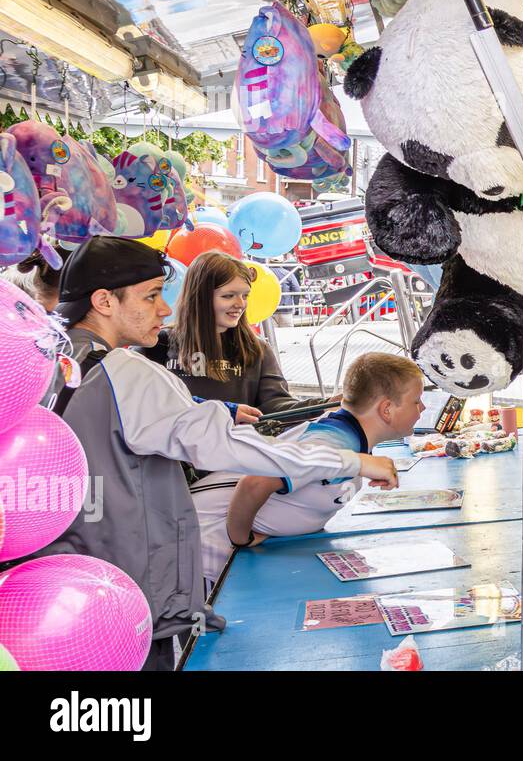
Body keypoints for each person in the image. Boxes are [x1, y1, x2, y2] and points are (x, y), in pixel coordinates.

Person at [38, 236, 399, 671]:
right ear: (104, 301)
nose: (164, 309)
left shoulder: (50, 360)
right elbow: (229, 447)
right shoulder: (123, 371)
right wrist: (351, 460)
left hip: (57, 583)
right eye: (151, 296)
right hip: (128, 591)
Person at [190, 352, 425, 580]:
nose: (423, 408)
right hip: (200, 550)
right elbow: (255, 482)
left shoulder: (348, 431)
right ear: (386, 410)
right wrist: (240, 537)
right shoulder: (335, 441)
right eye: (416, 401)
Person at [144, 251, 326, 417]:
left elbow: (275, 404)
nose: (240, 304)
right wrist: (225, 413)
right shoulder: (157, 345)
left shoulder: (257, 349)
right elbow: (145, 407)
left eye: (245, 296)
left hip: (239, 450)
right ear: (200, 297)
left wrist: (325, 405)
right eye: (228, 296)